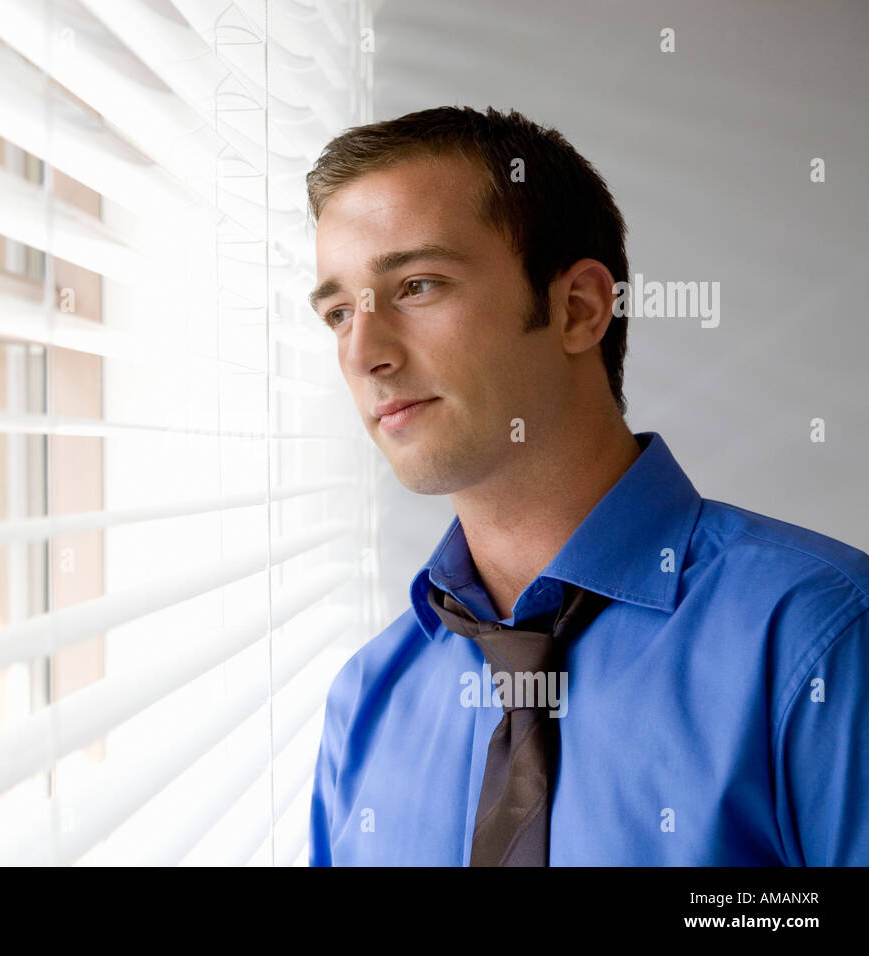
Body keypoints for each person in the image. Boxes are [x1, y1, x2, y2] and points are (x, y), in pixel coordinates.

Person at [306, 106, 869, 866]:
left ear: (579, 308)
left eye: (417, 284)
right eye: (339, 312)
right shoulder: (366, 701)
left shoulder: (822, 638)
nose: (363, 352)